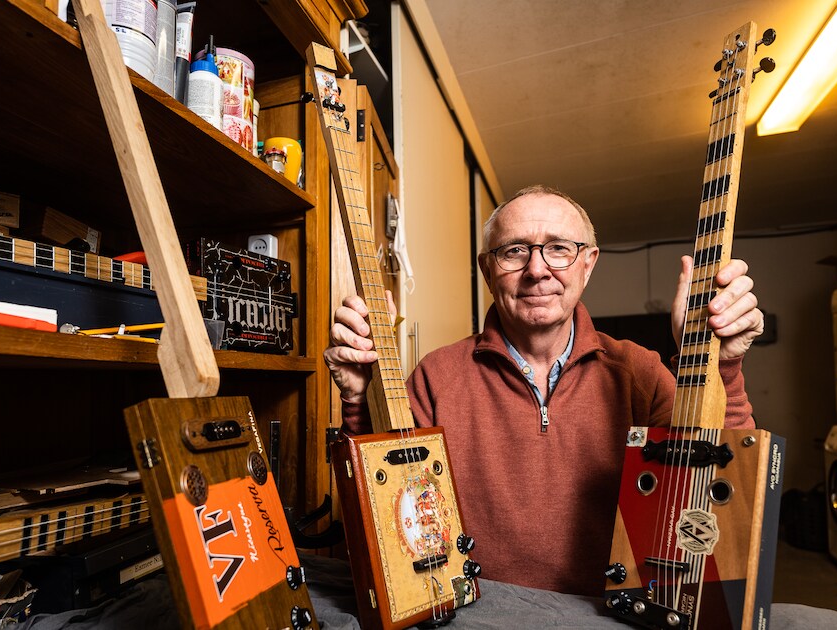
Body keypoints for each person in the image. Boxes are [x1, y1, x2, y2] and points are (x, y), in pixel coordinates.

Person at [323, 184, 765, 596]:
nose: (537, 270)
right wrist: (359, 398)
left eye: (558, 249)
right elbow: (382, 527)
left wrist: (715, 363)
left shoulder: (640, 372)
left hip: (612, 616)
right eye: (514, 251)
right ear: (487, 269)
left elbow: (717, 497)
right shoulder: (435, 377)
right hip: (478, 615)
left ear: (588, 264)